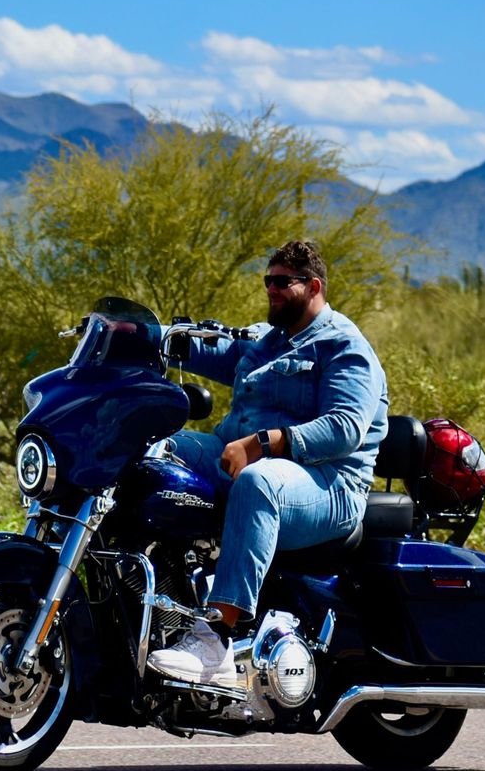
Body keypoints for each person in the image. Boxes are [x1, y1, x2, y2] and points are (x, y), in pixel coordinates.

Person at [146, 240, 389, 687]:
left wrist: (263, 443)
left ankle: (214, 639)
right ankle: (147, 596)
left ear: (313, 286)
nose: (271, 290)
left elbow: (345, 427)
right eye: (268, 281)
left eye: (282, 282)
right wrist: (137, 332)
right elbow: (203, 349)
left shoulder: (345, 347)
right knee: (152, 448)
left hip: (329, 485)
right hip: (244, 459)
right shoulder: (264, 340)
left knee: (258, 482)